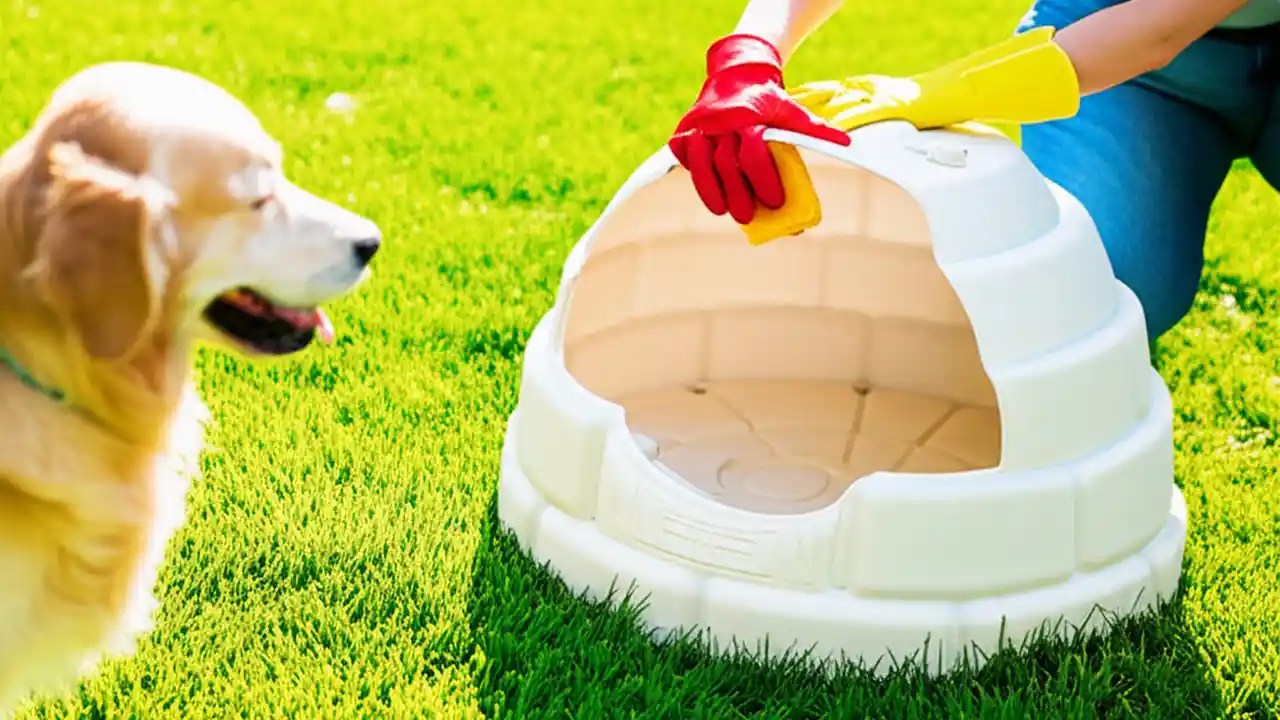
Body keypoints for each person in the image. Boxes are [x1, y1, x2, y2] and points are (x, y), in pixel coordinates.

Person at [668, 0, 1271, 339]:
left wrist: (938, 90)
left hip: (1150, 34)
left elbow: (1165, 27)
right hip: (1110, 33)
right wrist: (750, 52)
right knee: (1097, 287)